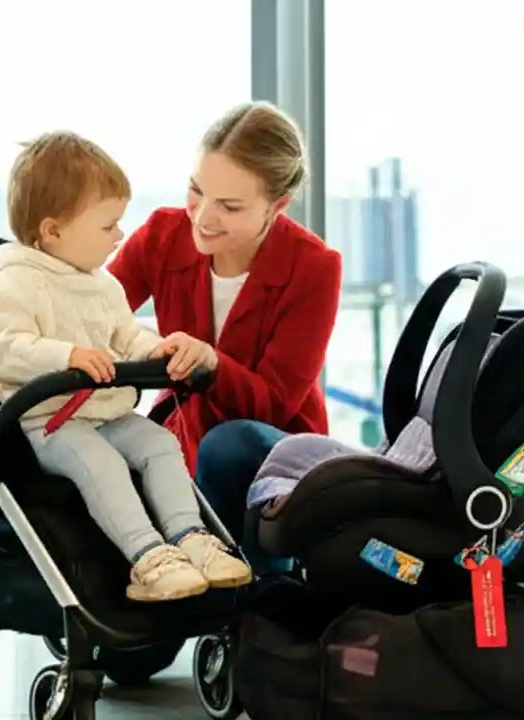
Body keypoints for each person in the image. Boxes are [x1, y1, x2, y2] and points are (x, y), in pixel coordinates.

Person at [0, 130, 253, 603]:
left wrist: (156, 351)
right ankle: (147, 557)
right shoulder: (16, 279)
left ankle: (190, 537)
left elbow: (125, 336)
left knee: (160, 442)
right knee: (101, 464)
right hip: (53, 422)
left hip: (106, 413)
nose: (119, 236)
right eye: (108, 227)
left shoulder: (100, 285)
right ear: (53, 231)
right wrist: (67, 357)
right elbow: (2, 348)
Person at [107, 101, 342, 574]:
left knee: (227, 444)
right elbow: (95, 310)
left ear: (277, 206)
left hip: (270, 451)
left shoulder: (313, 267)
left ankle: (254, 603)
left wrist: (211, 364)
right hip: (184, 439)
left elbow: (274, 404)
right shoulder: (161, 235)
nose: (204, 217)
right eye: (197, 191)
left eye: (230, 206)